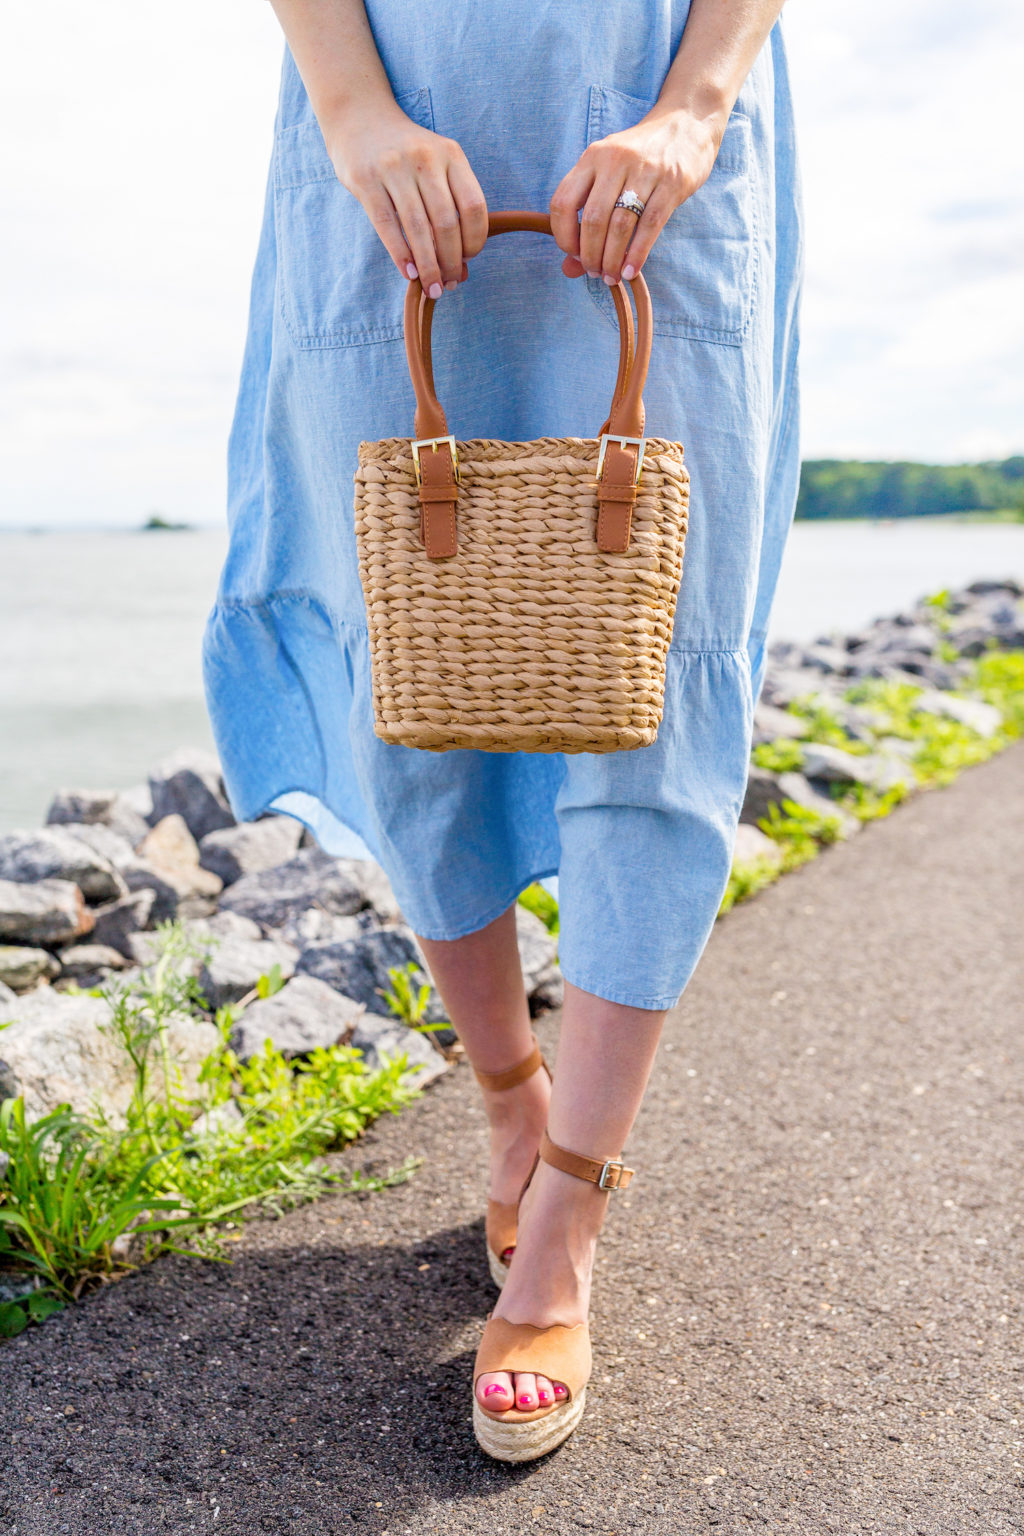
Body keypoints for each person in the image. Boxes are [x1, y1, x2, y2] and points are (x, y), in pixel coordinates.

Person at [203, 0, 802, 1461]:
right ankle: (506, 1100)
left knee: (648, 676)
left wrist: (696, 102)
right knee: (415, 662)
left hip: (662, 114)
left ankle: (572, 1205)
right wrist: (352, 109)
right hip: (391, 120)